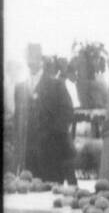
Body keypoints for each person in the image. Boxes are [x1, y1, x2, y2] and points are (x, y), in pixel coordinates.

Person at [23, 43, 74, 182]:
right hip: (28, 157)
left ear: (41, 59)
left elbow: (67, 113)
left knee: (50, 196)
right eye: (28, 56)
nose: (31, 61)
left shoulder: (56, 85)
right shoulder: (21, 88)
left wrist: (51, 137)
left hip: (52, 156)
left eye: (34, 56)